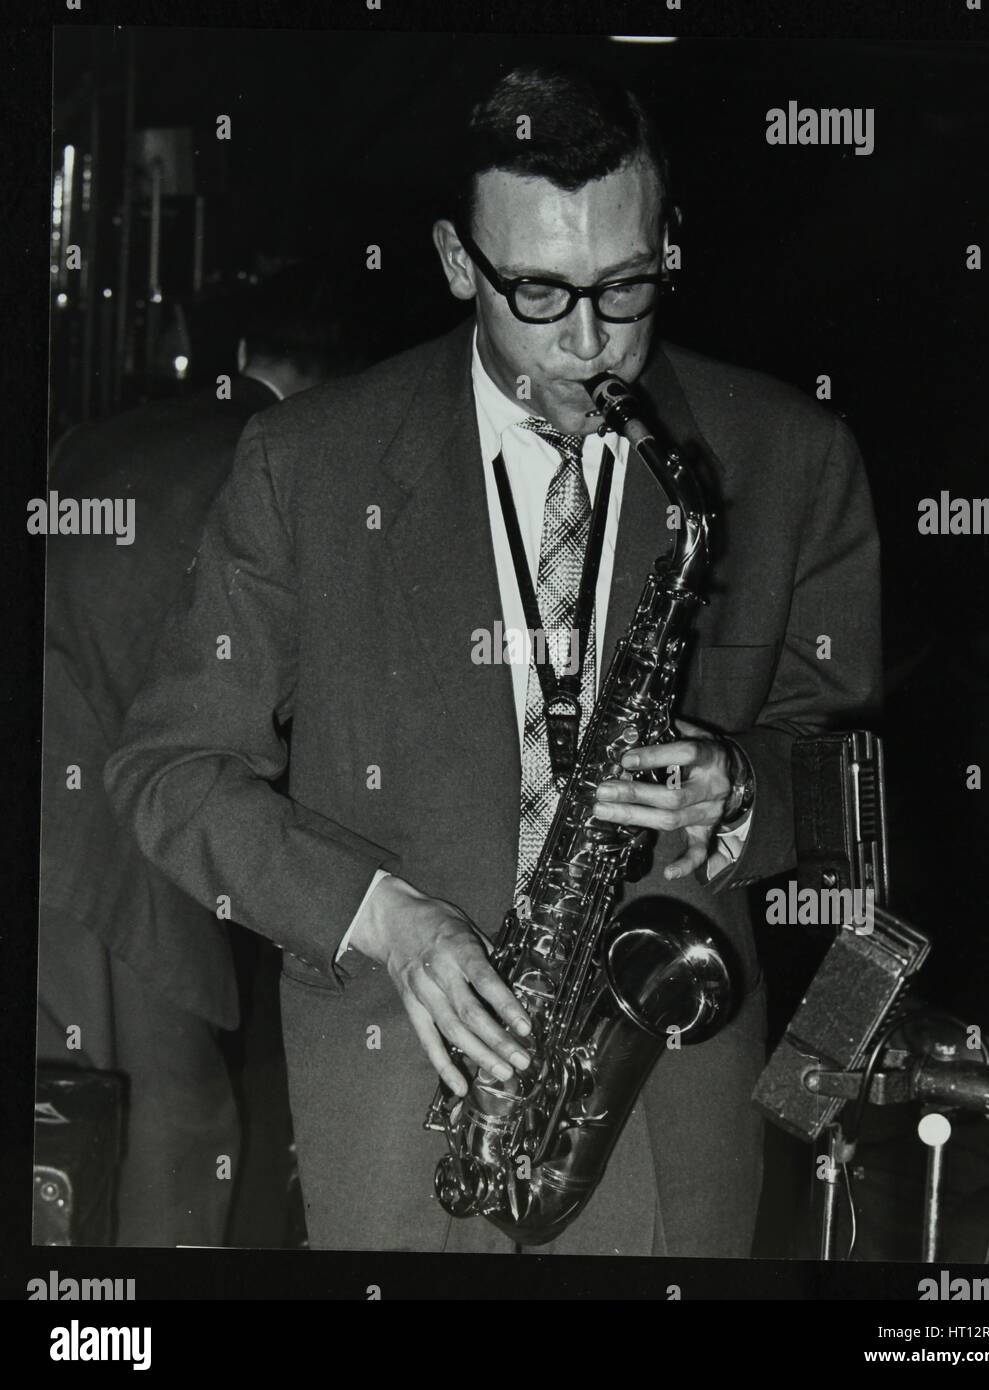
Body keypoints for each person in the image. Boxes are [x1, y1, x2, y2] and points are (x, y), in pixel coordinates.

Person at [106, 65, 880, 1256]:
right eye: (537, 290)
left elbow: (846, 777)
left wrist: (744, 792)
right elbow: (167, 769)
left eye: (623, 288)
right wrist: (377, 915)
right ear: (456, 260)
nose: (587, 344)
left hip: (669, 1127)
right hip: (393, 1120)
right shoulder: (306, 464)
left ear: (666, 247)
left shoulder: (789, 455)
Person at [38, 262, 353, 1246]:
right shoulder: (272, 462)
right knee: (178, 1120)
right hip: (94, 824)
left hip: (63, 789)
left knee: (60, 1118)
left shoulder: (109, 433)